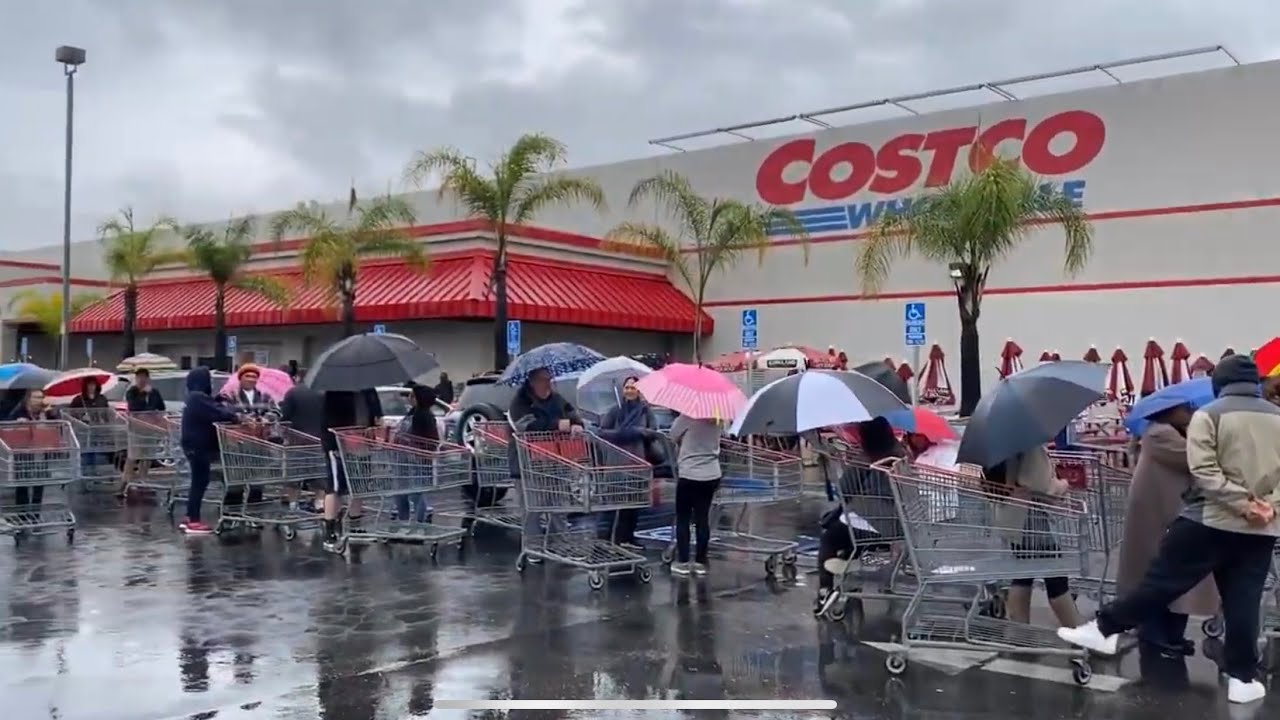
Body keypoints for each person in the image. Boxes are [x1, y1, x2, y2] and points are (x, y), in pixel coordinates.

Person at [1058, 354, 1279, 705]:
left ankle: (1103, 629)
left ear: (1220, 383)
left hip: (1209, 519)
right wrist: (1267, 508)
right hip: (1261, 528)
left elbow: (1203, 470)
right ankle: (1241, 678)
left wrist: (1240, 502)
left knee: (1162, 582)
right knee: (1243, 602)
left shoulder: (1210, 415)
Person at [1117, 403, 1219, 658]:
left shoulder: (1174, 432)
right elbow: (1194, 459)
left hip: (1173, 511)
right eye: (1187, 408)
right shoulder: (1159, 433)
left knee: (1177, 576)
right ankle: (1153, 633)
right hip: (1157, 513)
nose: (1192, 411)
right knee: (1158, 574)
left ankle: (1173, 634)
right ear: (1170, 411)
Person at [985, 445, 1083, 628]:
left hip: (1014, 518)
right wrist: (1063, 485)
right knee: (1056, 580)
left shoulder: (1003, 443)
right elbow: (1043, 488)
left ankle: (1020, 635)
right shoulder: (1030, 447)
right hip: (1032, 520)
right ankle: (1081, 637)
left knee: (1023, 574)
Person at [815, 417, 902, 615]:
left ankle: (824, 590)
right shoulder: (900, 453)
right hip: (896, 525)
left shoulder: (867, 457)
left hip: (870, 521)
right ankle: (850, 573)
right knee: (850, 535)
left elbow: (846, 490)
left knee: (829, 539)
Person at [508, 367, 583, 560]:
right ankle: (533, 548)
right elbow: (525, 426)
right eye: (543, 380)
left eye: (549, 379)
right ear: (532, 382)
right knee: (532, 508)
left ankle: (559, 545)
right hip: (527, 462)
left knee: (559, 505)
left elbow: (572, 414)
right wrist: (556, 425)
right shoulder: (521, 402)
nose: (548, 383)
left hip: (555, 460)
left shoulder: (557, 399)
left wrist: (576, 424)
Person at [595, 376, 658, 549]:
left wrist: (639, 432)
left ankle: (627, 537)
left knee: (634, 502)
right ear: (623, 390)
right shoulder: (615, 411)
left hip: (637, 461)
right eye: (627, 387)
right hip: (616, 462)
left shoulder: (646, 411)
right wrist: (621, 434)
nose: (630, 391)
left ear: (639, 391)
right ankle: (605, 537)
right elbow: (602, 432)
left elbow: (653, 432)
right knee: (613, 501)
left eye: (633, 387)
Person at [178, 367, 240, 535]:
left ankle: (190, 516)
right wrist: (234, 415)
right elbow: (219, 413)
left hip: (194, 444)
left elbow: (212, 408)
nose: (210, 383)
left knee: (198, 482)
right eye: (208, 380)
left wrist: (218, 400)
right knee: (200, 481)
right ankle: (193, 520)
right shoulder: (198, 398)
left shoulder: (195, 397)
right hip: (198, 445)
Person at [319, 388, 382, 551]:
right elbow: (327, 420)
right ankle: (330, 528)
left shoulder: (369, 391)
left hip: (362, 444)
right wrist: (342, 435)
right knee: (336, 487)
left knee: (359, 485)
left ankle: (355, 525)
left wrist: (376, 427)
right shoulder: (335, 391)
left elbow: (377, 416)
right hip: (337, 445)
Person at [668, 411, 723, 578]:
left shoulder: (687, 417)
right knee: (702, 518)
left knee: (683, 518)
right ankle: (700, 562)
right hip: (712, 473)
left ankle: (683, 562)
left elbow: (672, 436)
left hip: (689, 473)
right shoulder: (718, 418)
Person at [394, 383, 440, 523]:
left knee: (416, 493)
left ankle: (419, 523)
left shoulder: (424, 416)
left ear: (419, 398)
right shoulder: (412, 413)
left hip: (417, 460)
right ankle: (404, 521)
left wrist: (415, 447)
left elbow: (432, 441)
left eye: (412, 395)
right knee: (400, 492)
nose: (409, 398)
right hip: (403, 459)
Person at [7, 389, 59, 508]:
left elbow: (57, 426)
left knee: (39, 483)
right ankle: (22, 512)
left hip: (40, 452)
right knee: (23, 482)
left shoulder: (45, 412)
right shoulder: (20, 411)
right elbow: (8, 425)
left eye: (41, 397)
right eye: (35, 397)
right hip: (24, 452)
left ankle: (36, 510)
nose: (38, 400)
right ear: (28, 399)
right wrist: (17, 422)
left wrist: (51, 413)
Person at [279, 381, 325, 511]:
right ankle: (319, 501)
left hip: (296, 439)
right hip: (319, 439)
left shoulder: (293, 392)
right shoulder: (325, 393)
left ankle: (293, 503)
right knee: (319, 472)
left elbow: (285, 418)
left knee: (294, 474)